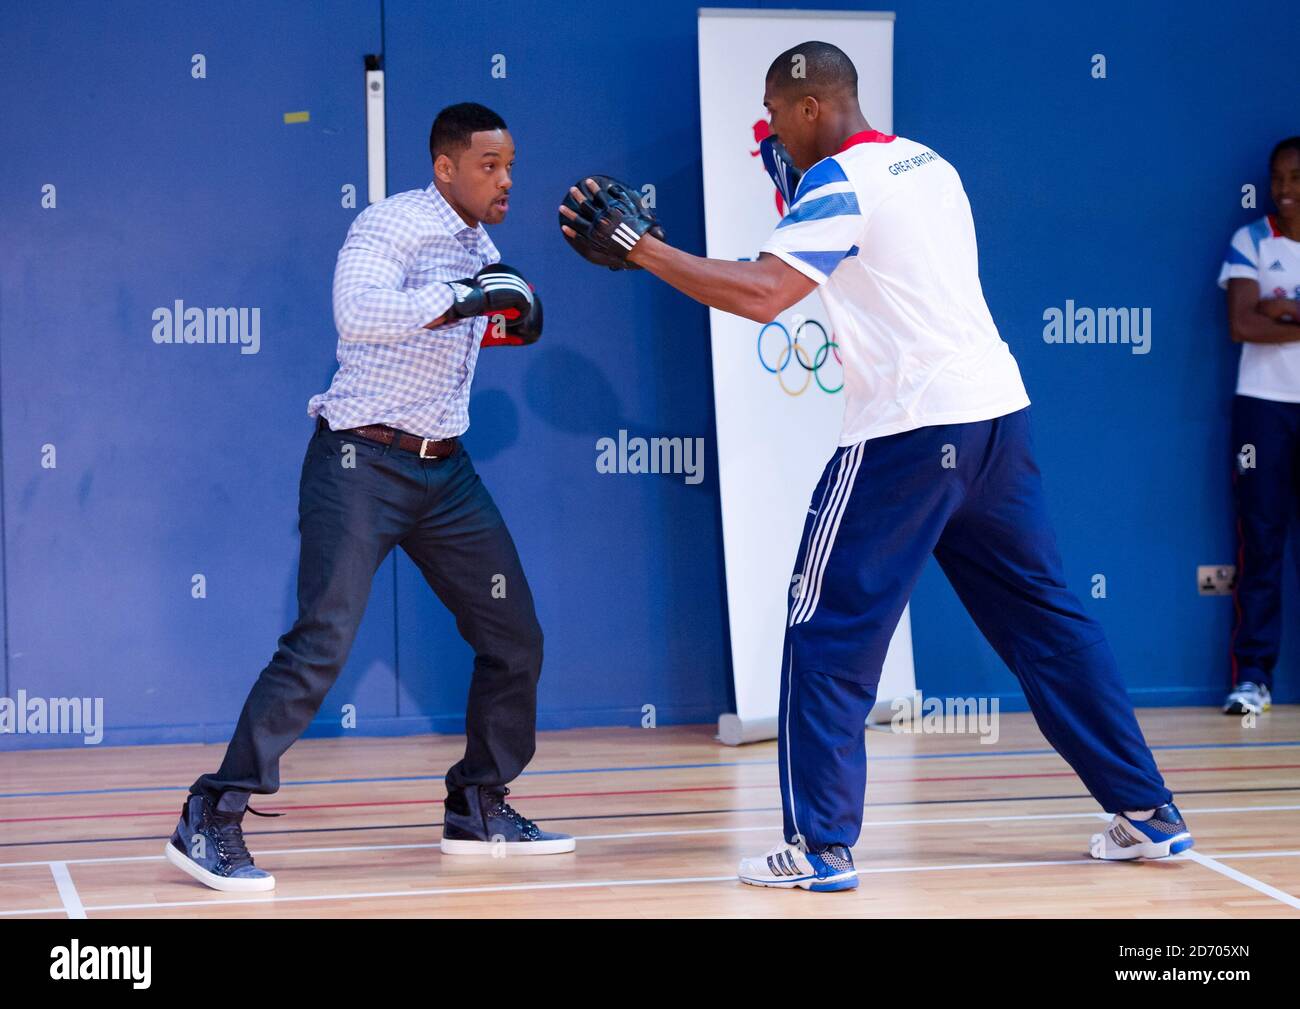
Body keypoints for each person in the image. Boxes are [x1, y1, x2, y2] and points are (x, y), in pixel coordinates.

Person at [559, 42, 1191, 892]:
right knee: (1047, 622)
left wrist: (641, 248)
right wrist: (787, 175)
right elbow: (854, 245)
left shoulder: (838, 185)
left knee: (826, 627)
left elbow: (762, 295)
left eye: (778, 113)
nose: (772, 126)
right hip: (996, 420)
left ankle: (819, 846)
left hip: (908, 436)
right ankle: (1150, 811)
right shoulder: (926, 163)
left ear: (811, 106)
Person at [165, 102, 571, 894]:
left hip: (444, 472)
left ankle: (480, 803)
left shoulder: (477, 246)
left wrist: (509, 320)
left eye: (512, 164)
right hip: (360, 462)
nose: (507, 180)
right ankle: (210, 816)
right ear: (445, 167)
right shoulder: (388, 227)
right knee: (320, 644)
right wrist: (466, 297)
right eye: (490, 165)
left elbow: (471, 324)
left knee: (514, 632)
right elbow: (360, 314)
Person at [1217, 136, 1300, 718]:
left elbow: (1265, 315)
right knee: (1261, 543)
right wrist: (1266, 312)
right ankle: (1254, 678)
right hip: (1264, 408)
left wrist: (1285, 311)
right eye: (1278, 180)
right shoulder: (1252, 239)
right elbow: (1243, 324)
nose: (1285, 191)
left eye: (1296, 179)